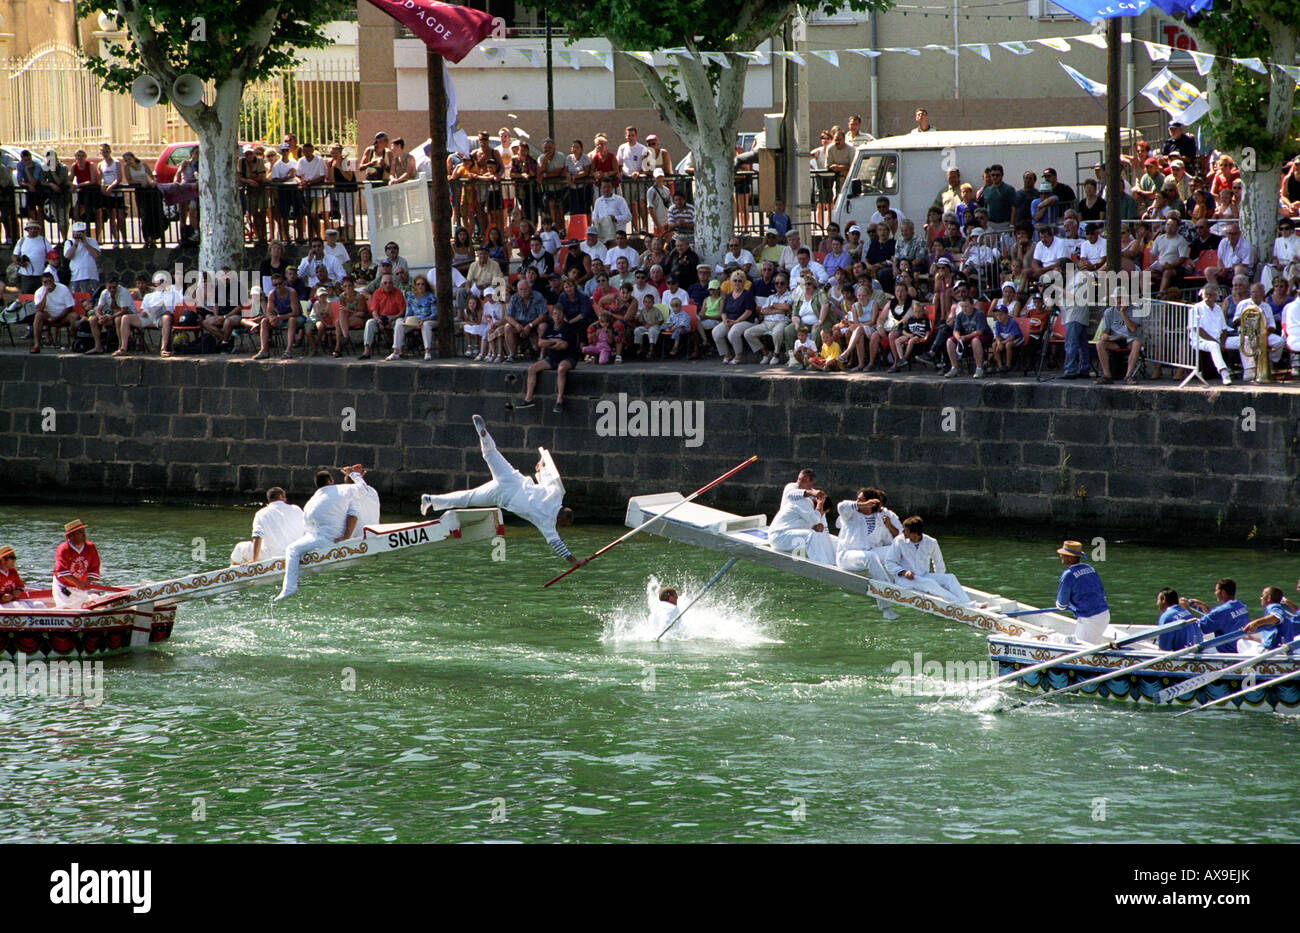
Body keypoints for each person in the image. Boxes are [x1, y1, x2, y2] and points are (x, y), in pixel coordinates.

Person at [421, 415, 581, 564]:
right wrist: (575, 561)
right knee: (467, 498)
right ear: (561, 519)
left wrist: (541, 466)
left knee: (490, 453)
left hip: (513, 478)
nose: (561, 528)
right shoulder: (547, 522)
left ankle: (484, 435)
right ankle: (430, 499)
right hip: (504, 496)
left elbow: (549, 475)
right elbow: (556, 544)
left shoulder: (558, 493)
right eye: (563, 525)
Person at [274, 465, 369, 601]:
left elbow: (307, 526)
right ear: (330, 481)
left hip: (320, 538)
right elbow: (363, 489)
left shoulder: (311, 501)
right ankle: (289, 588)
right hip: (336, 539)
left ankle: (289, 588)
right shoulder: (344, 490)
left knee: (292, 549)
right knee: (298, 546)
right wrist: (353, 474)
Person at [836, 488, 903, 620]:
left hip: (869, 552)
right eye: (858, 500)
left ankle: (908, 581)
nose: (858, 502)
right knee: (871, 557)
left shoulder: (880, 517)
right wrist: (862, 504)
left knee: (897, 549)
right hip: (847, 556)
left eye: (861, 500)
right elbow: (841, 506)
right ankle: (886, 607)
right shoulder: (850, 514)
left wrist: (889, 525)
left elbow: (899, 537)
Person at [885, 516, 971, 605]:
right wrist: (903, 572)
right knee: (929, 583)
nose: (902, 532)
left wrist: (940, 583)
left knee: (950, 578)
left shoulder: (931, 542)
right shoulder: (899, 541)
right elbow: (889, 562)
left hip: (923, 575)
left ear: (915, 533)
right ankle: (958, 603)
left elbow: (939, 564)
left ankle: (968, 602)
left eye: (906, 530)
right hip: (904, 579)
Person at [517, 304, 579, 412]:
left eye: (559, 314)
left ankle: (559, 401)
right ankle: (528, 398)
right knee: (532, 369)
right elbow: (541, 343)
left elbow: (564, 346)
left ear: (563, 315)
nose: (557, 316)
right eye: (555, 314)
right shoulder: (550, 327)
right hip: (552, 358)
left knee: (561, 369)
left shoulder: (568, 328)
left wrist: (549, 344)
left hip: (568, 357)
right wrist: (555, 342)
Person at [767, 469, 835, 566]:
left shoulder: (815, 496)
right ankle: (824, 565)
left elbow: (822, 524)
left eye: (803, 481)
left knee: (822, 534)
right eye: (799, 479)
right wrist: (817, 500)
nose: (799, 483)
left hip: (793, 531)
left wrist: (822, 529)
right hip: (780, 535)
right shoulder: (792, 489)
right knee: (811, 535)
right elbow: (815, 519)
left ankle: (833, 563)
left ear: (812, 483)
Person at [231, 487, 306, 564]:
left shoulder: (261, 513)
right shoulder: (297, 509)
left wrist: (254, 559)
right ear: (280, 496)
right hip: (295, 553)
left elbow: (257, 536)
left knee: (240, 547)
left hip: (272, 556)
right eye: (285, 496)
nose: (286, 499)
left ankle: (233, 574)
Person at [1054, 539, 1110, 643]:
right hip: (1104, 615)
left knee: (1081, 650)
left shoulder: (1068, 575)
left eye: (1063, 554)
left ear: (1070, 558)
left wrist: (1062, 605)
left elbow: (1061, 605)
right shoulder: (1090, 568)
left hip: (1089, 620)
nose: (1060, 556)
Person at [1181, 578, 1250, 654]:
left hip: (1228, 651)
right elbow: (1222, 619)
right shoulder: (1241, 605)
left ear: (1223, 592)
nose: (1215, 593)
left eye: (1216, 590)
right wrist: (1204, 606)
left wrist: (1187, 610)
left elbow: (1197, 628)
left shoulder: (1221, 611)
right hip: (1241, 646)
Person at [52, 518, 102, 609]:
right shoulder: (63, 549)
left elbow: (94, 568)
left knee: (83, 607)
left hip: (80, 585)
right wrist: (78, 583)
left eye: (83, 531)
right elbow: (61, 571)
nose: (83, 534)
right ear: (70, 536)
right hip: (63, 587)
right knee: (64, 609)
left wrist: (87, 581)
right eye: (80, 532)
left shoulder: (90, 547)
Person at [1154, 587, 1201, 651]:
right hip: (1196, 650)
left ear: (1163, 599)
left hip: (1182, 656)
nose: (1157, 603)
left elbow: (1164, 648)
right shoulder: (1187, 612)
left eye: (1158, 600)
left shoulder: (1166, 617)